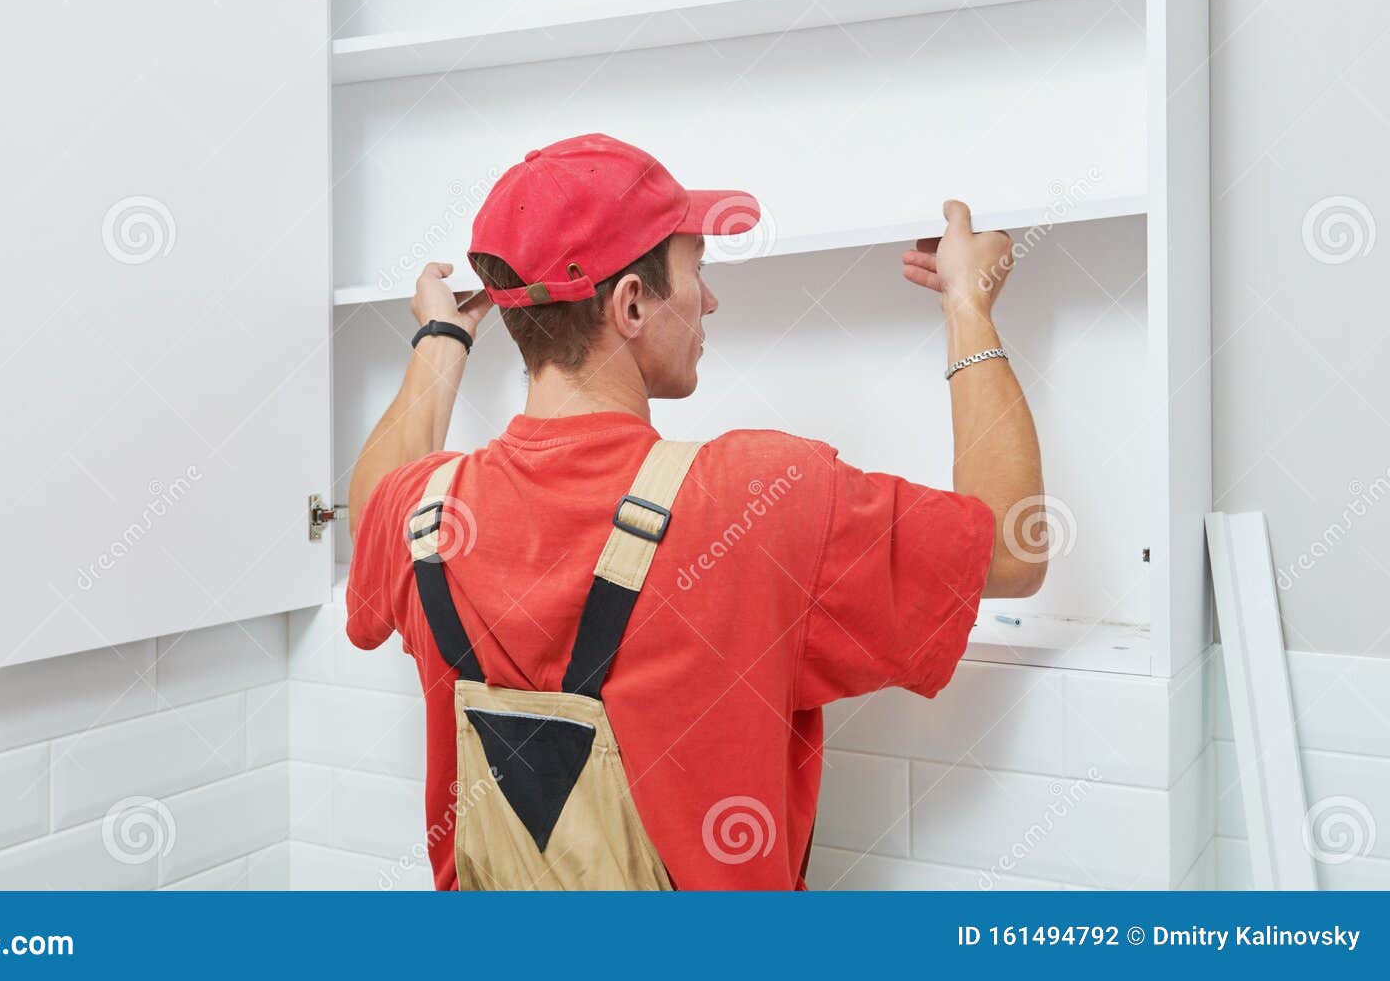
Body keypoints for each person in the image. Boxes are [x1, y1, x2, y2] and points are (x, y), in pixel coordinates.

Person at [345, 132, 1044, 890]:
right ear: (632, 304)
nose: (708, 299)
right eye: (696, 272)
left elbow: (371, 505)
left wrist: (443, 337)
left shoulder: (427, 515)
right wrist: (969, 304)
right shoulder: (757, 496)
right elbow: (1013, 548)